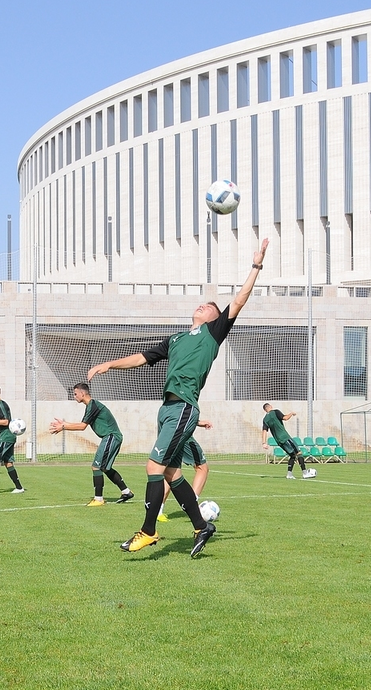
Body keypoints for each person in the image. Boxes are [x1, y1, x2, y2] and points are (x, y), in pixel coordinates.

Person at [88, 238, 268, 557]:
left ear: (214, 319)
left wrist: (256, 266)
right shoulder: (176, 339)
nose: (203, 306)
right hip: (167, 409)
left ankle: (148, 531)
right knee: (171, 472)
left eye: (208, 307)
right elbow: (143, 357)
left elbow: (240, 300)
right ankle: (202, 526)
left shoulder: (212, 334)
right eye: (202, 304)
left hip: (184, 406)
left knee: (153, 467)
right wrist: (110, 364)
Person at [49, 382, 134, 506]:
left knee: (96, 466)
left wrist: (63, 426)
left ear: (83, 393)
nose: (74, 396)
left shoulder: (93, 405)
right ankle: (126, 492)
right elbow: (82, 424)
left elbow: (82, 426)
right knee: (104, 467)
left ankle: (98, 499)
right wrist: (65, 424)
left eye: (75, 394)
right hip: (111, 437)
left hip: (111, 437)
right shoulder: (91, 406)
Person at [157, 426, 211, 522]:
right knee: (202, 468)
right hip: (183, 434)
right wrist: (197, 422)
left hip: (168, 434)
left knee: (170, 473)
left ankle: (158, 511)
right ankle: (191, 507)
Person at [262, 403, 309, 479]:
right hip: (285, 437)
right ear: (270, 406)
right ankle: (305, 473)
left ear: (264, 410)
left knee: (292, 455)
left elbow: (264, 431)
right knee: (298, 452)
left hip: (279, 441)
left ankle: (289, 474)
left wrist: (264, 443)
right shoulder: (275, 412)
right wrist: (291, 413)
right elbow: (285, 418)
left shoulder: (265, 419)